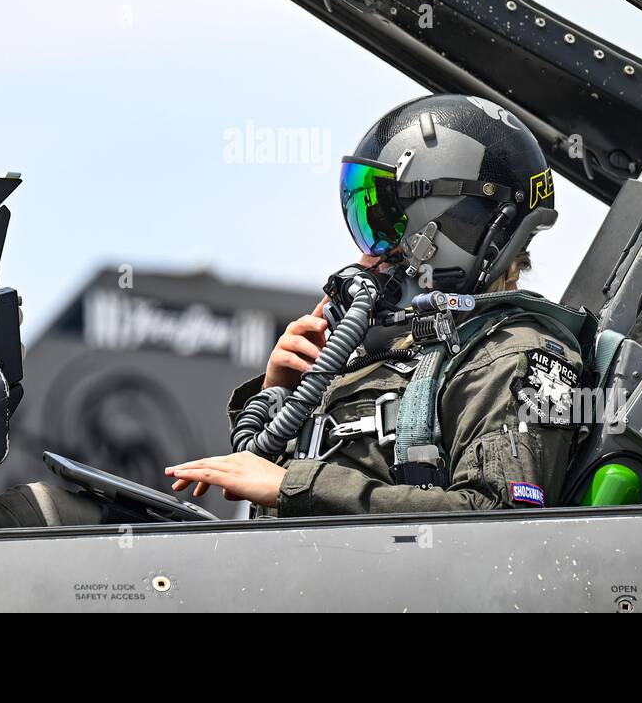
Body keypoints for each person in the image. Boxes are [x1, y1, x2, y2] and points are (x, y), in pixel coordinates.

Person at [165, 93, 585, 515]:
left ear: (453, 225)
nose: (367, 257)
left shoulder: (517, 354)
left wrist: (293, 486)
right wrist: (277, 395)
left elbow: (500, 519)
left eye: (387, 225)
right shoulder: (391, 352)